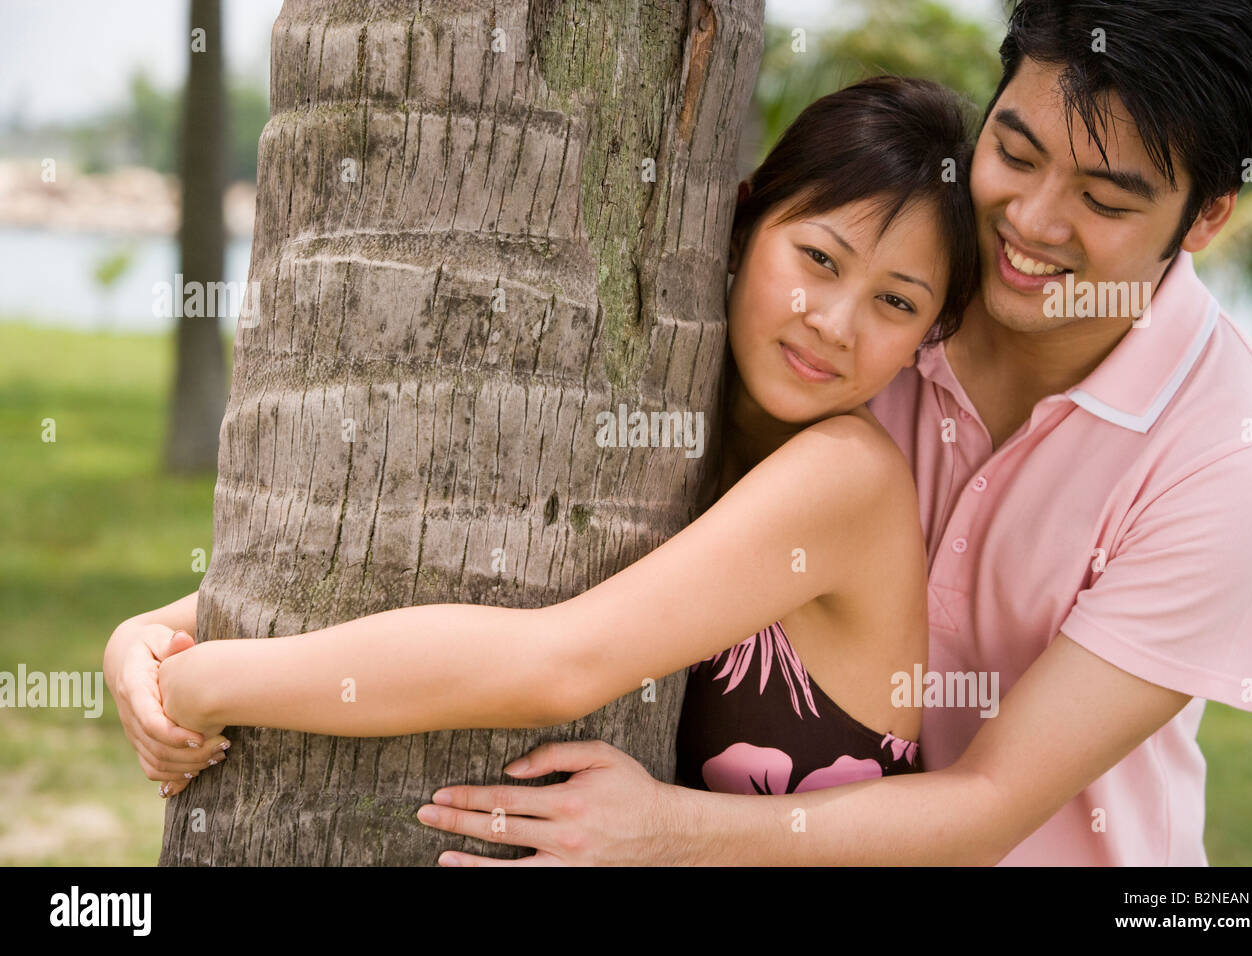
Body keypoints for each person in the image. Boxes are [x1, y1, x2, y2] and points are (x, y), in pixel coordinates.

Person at [407, 0, 1252, 866]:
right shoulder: (881, 310)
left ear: (1209, 215)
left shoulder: (1231, 462)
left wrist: (665, 834)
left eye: (1104, 201)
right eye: (1016, 154)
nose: (1031, 221)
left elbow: (987, 809)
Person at [104, 76, 980, 799]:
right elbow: (443, 562)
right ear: (744, 225)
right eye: (818, 260)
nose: (833, 322)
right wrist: (151, 636)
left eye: (896, 302)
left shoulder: (846, 476)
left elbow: (553, 668)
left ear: (927, 336)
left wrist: (210, 683)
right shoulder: (673, 429)